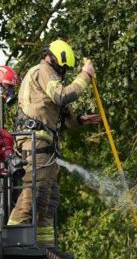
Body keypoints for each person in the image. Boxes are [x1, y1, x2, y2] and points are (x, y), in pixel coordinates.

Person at [8, 39, 100, 246]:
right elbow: (61, 96)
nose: (63, 72)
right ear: (54, 59)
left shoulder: (49, 78)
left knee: (47, 200)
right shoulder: (43, 69)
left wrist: (80, 120)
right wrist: (85, 75)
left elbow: (63, 118)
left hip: (46, 147)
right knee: (33, 194)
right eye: (63, 67)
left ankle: (46, 246)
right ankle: (10, 240)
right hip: (35, 144)